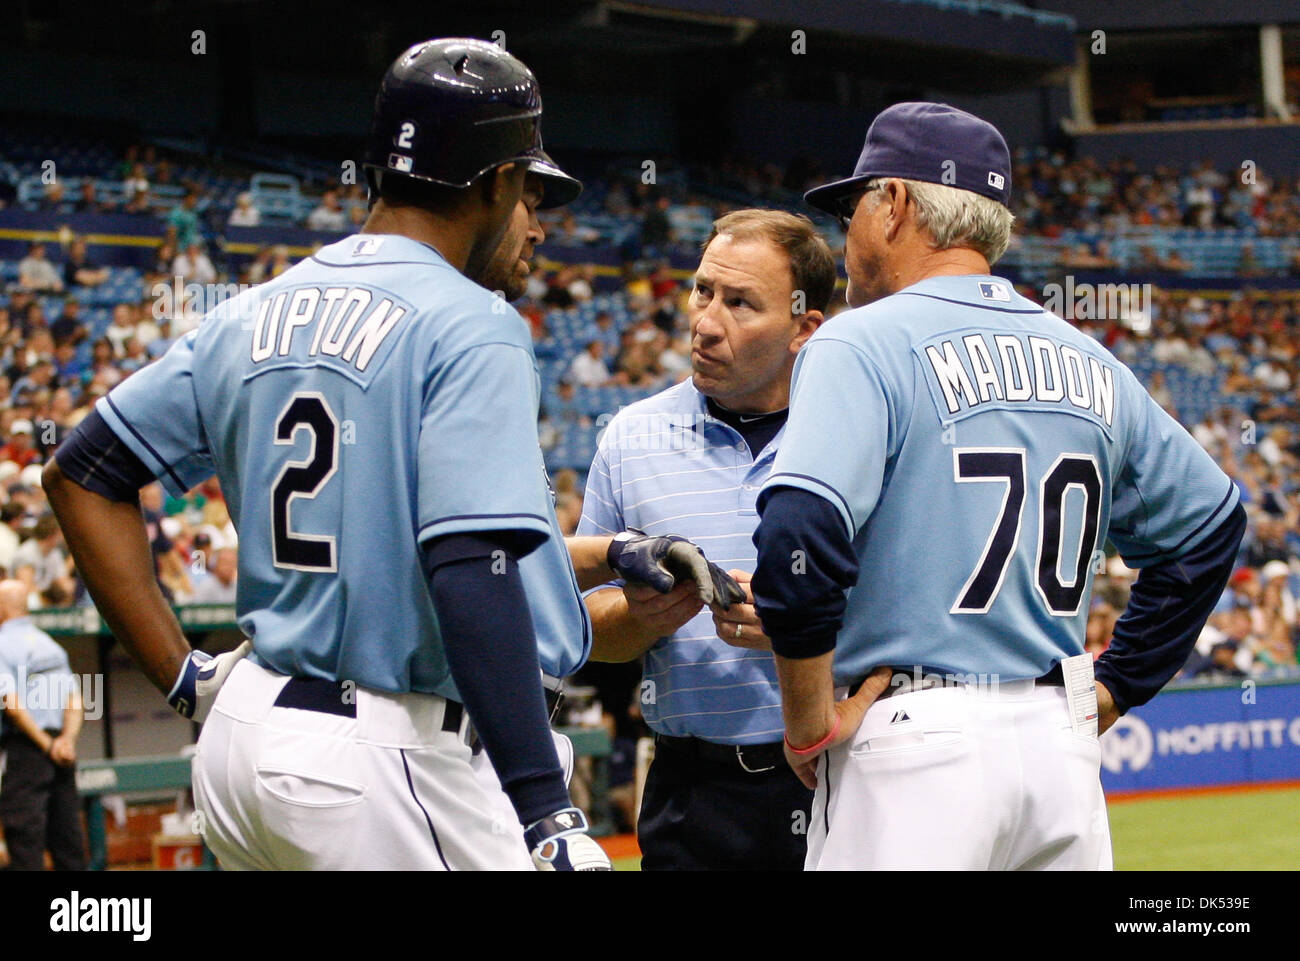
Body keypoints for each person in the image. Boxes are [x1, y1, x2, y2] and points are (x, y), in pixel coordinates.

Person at [44, 37, 613, 872]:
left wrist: (183, 677)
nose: (538, 222)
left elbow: (80, 472)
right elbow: (469, 562)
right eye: (531, 191)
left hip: (244, 741)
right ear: (494, 182)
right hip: (389, 756)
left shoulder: (249, 311)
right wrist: (545, 809)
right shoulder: (470, 321)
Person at [751, 102, 1246, 871]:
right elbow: (1212, 528)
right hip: (1059, 747)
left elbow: (797, 541)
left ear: (899, 205)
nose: (843, 232)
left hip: (915, 739)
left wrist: (808, 719)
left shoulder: (860, 339)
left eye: (854, 206)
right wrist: (1115, 685)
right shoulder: (1091, 358)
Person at [577, 209, 834, 870]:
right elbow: (581, 627)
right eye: (703, 291)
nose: (705, 322)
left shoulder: (857, 437)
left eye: (741, 302)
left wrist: (800, 625)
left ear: (805, 327)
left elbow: (914, 616)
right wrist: (638, 618)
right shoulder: (631, 437)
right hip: (691, 795)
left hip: (836, 775)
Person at [0, 579, 87, 870]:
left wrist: (46, 744)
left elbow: (12, 707)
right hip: (62, 752)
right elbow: (75, 700)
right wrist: (66, 741)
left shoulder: (1, 644)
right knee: (67, 838)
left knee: (24, 839)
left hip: (27, 748)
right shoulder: (49, 644)